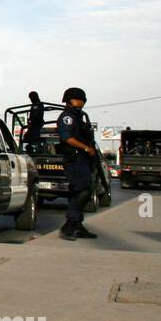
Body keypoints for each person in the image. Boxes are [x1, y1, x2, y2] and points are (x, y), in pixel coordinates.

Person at [57, 86, 99, 240]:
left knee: (81, 191)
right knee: (82, 191)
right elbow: (67, 138)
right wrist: (86, 148)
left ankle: (77, 225)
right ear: (71, 100)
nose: (82, 102)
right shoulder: (67, 117)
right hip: (74, 159)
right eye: (79, 99)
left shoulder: (79, 116)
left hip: (82, 159)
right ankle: (70, 224)